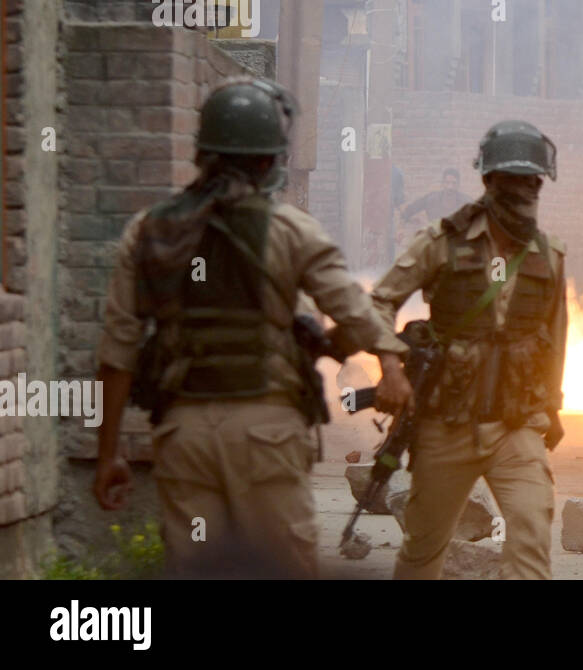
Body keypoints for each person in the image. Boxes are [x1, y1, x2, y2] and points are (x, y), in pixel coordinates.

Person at [92, 78, 410, 578]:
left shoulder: (148, 229)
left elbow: (117, 352)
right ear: (268, 160)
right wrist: (390, 367)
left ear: (202, 152)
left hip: (183, 433)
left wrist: (107, 453)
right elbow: (355, 312)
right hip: (268, 431)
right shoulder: (291, 230)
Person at [370, 121, 568, 580]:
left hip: (516, 425)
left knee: (532, 538)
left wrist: (552, 405)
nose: (525, 190)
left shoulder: (549, 254)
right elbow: (380, 301)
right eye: (513, 180)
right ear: (488, 182)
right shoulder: (441, 243)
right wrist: (390, 370)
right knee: (422, 553)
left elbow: (556, 338)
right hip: (446, 424)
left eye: (533, 181)